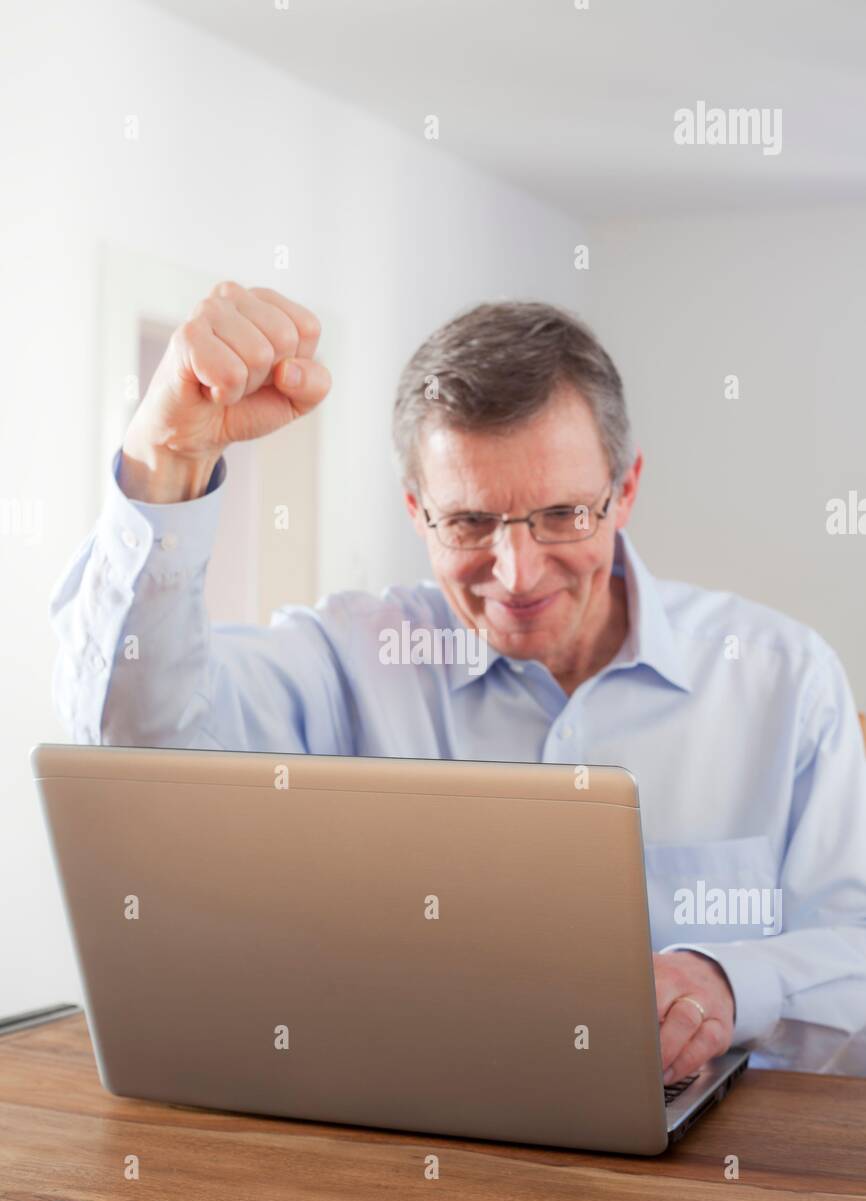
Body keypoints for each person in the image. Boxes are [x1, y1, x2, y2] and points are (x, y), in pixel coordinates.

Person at [50, 282, 866, 1083]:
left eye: (562, 515)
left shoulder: (784, 681)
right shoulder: (352, 656)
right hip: (408, 1151)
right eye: (471, 523)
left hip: (721, 1177)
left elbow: (855, 948)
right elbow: (141, 757)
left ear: (626, 492)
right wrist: (168, 458)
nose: (515, 575)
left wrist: (727, 983)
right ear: (417, 511)